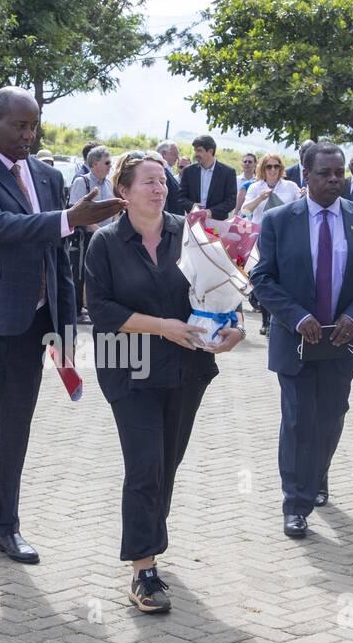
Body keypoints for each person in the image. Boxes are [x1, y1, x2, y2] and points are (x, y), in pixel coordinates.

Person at [0, 86, 125, 599]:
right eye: (20, 126)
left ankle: (6, 527)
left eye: (34, 126)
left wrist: (63, 333)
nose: (29, 135)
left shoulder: (46, 174)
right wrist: (72, 219)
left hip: (28, 330)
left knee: (14, 436)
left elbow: (56, 259)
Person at [85, 151, 244, 612]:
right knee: (145, 466)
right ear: (124, 191)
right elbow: (103, 311)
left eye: (162, 181)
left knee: (167, 462)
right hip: (128, 366)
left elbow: (222, 289)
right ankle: (144, 570)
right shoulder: (106, 243)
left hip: (185, 367)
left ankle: (151, 536)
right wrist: (163, 326)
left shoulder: (191, 234)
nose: (158, 189)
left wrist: (234, 326)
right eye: (148, 182)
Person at [250, 143, 353, 540]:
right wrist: (297, 317)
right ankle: (295, 502)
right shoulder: (279, 220)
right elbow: (263, 278)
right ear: (304, 176)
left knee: (331, 417)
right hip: (296, 341)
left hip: (343, 341)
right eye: (325, 173)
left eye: (339, 172)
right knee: (297, 419)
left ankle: (317, 474)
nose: (334, 180)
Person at [241, 153, 303, 338]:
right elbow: (245, 210)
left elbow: (299, 209)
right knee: (264, 278)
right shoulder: (255, 187)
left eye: (276, 166)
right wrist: (260, 198)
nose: (273, 170)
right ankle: (266, 320)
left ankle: (279, 317)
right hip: (262, 239)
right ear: (263, 169)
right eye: (269, 167)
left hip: (286, 238)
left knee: (281, 279)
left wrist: (304, 197)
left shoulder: (290, 186)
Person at [67, 144, 115, 323]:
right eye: (107, 162)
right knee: (80, 273)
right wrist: (100, 231)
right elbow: (76, 213)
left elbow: (113, 209)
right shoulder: (82, 182)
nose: (110, 165)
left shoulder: (109, 183)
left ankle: (91, 308)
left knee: (99, 274)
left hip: (104, 236)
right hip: (86, 237)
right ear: (95, 163)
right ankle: (76, 311)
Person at [180, 135, 237, 219]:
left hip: (217, 224)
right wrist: (192, 206)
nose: (196, 154)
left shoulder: (228, 173)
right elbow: (180, 197)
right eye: (195, 150)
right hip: (193, 222)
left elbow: (231, 202)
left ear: (210, 151)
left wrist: (210, 212)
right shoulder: (188, 171)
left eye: (199, 150)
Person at [156, 140, 186, 215]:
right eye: (175, 154)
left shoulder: (167, 171)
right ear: (164, 154)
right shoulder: (161, 173)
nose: (177, 158)